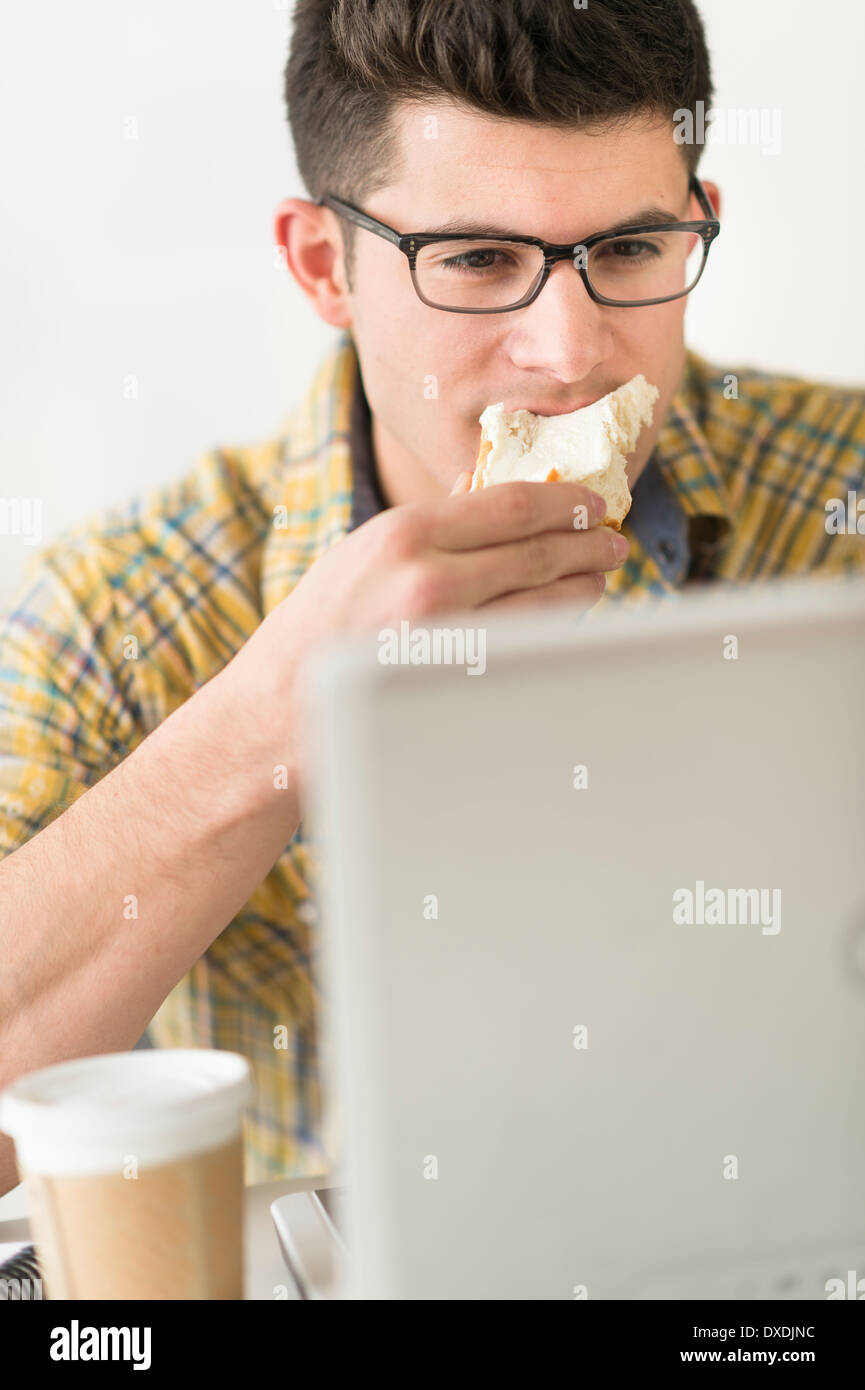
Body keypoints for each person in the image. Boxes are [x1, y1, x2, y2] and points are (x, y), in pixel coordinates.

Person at [1, 0, 863, 1195]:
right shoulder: (118, 614)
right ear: (323, 266)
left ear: (696, 229)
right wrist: (266, 726)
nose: (568, 352)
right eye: (476, 260)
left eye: (627, 250)